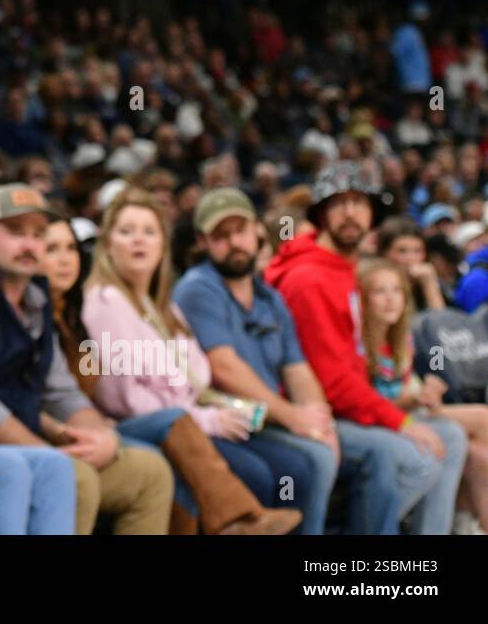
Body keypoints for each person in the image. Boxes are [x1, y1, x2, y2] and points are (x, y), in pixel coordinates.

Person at [47, 211, 307, 535]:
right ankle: (237, 519)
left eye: (149, 231)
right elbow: (122, 397)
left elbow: (196, 374)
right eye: (127, 231)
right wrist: (207, 419)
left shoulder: (160, 304)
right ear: (107, 245)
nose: (139, 239)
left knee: (296, 466)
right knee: (253, 471)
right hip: (138, 423)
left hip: (185, 420)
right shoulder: (105, 301)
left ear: (163, 245)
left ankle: (242, 520)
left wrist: (209, 409)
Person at [0, 184, 169, 535]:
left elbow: (63, 391)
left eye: (38, 234)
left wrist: (102, 438)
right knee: (74, 478)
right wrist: (50, 453)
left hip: (37, 447)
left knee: (151, 474)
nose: (31, 245)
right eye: (16, 232)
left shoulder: (38, 300)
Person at [174, 187, 406, 535]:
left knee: (374, 455)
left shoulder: (268, 295)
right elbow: (224, 367)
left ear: (256, 232)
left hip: (266, 419)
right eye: (221, 236)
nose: (234, 242)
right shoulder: (198, 288)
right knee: (314, 460)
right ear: (203, 242)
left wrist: (319, 421)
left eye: (240, 231)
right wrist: (293, 417)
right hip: (227, 419)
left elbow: (296, 366)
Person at [266, 161, 469, 534]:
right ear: (322, 213)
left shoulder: (349, 267)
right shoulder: (308, 278)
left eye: (359, 202)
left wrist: (408, 398)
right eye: (338, 203)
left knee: (451, 438)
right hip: (314, 413)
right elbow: (330, 381)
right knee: (416, 457)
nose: (350, 213)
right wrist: (399, 420)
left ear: (372, 212)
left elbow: (363, 360)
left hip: (349, 404)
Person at [358, 257, 488, 535]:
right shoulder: (356, 341)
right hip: (376, 419)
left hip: (404, 411)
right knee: (472, 426)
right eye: (379, 292)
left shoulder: (400, 338)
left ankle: (459, 527)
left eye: (397, 291)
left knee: (476, 452)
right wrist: (412, 398)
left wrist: (426, 389)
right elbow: (362, 401)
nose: (390, 300)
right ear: (360, 297)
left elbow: (405, 386)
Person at [377, 216, 446, 310]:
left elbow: (441, 323)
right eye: (402, 251)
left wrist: (430, 287)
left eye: (417, 251)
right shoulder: (373, 287)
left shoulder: (430, 283)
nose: (411, 259)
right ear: (383, 254)